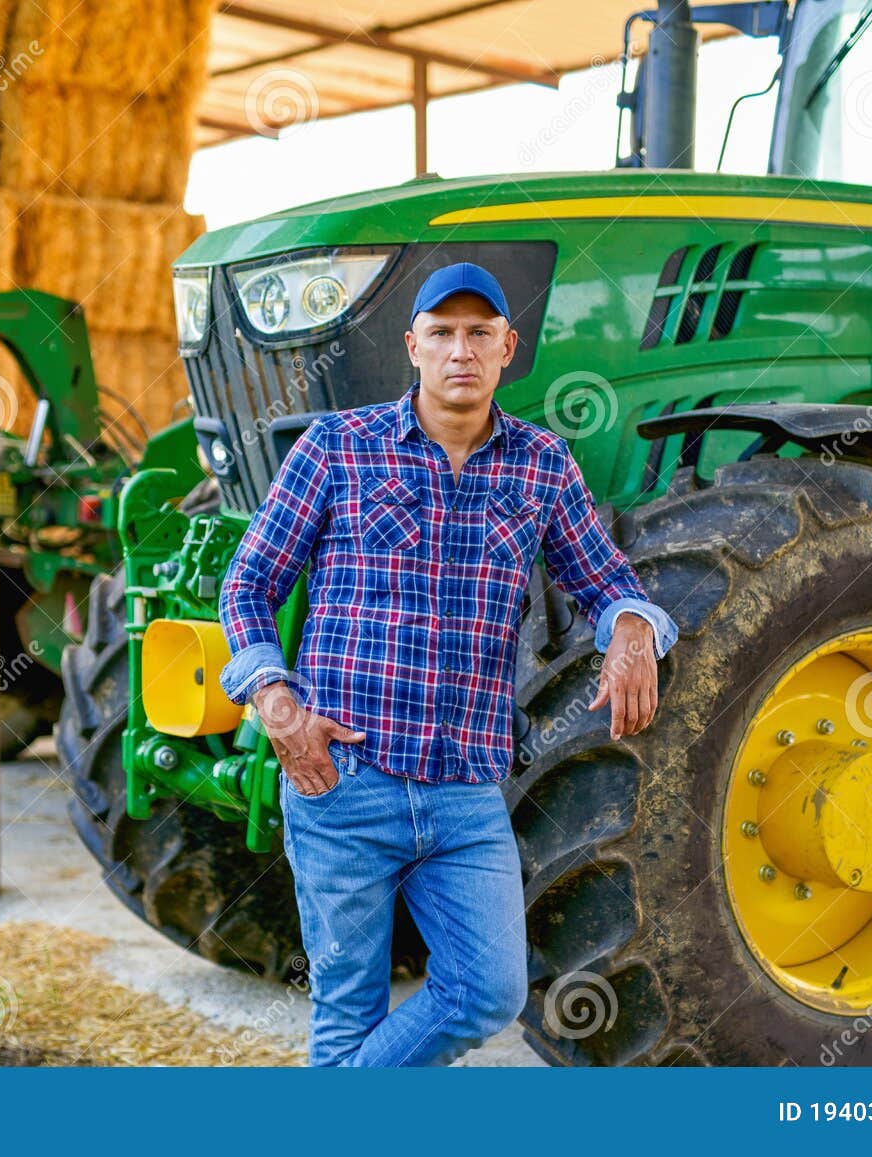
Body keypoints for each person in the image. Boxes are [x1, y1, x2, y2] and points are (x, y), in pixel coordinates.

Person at [217, 262, 677, 1066]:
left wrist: (634, 629)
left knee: (487, 990)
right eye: (441, 333)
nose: (459, 350)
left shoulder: (542, 465)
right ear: (413, 346)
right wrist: (273, 700)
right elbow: (249, 584)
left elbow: (608, 582)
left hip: (466, 790)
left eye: (477, 333)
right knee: (348, 1007)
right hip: (342, 779)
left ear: (508, 347)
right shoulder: (337, 448)